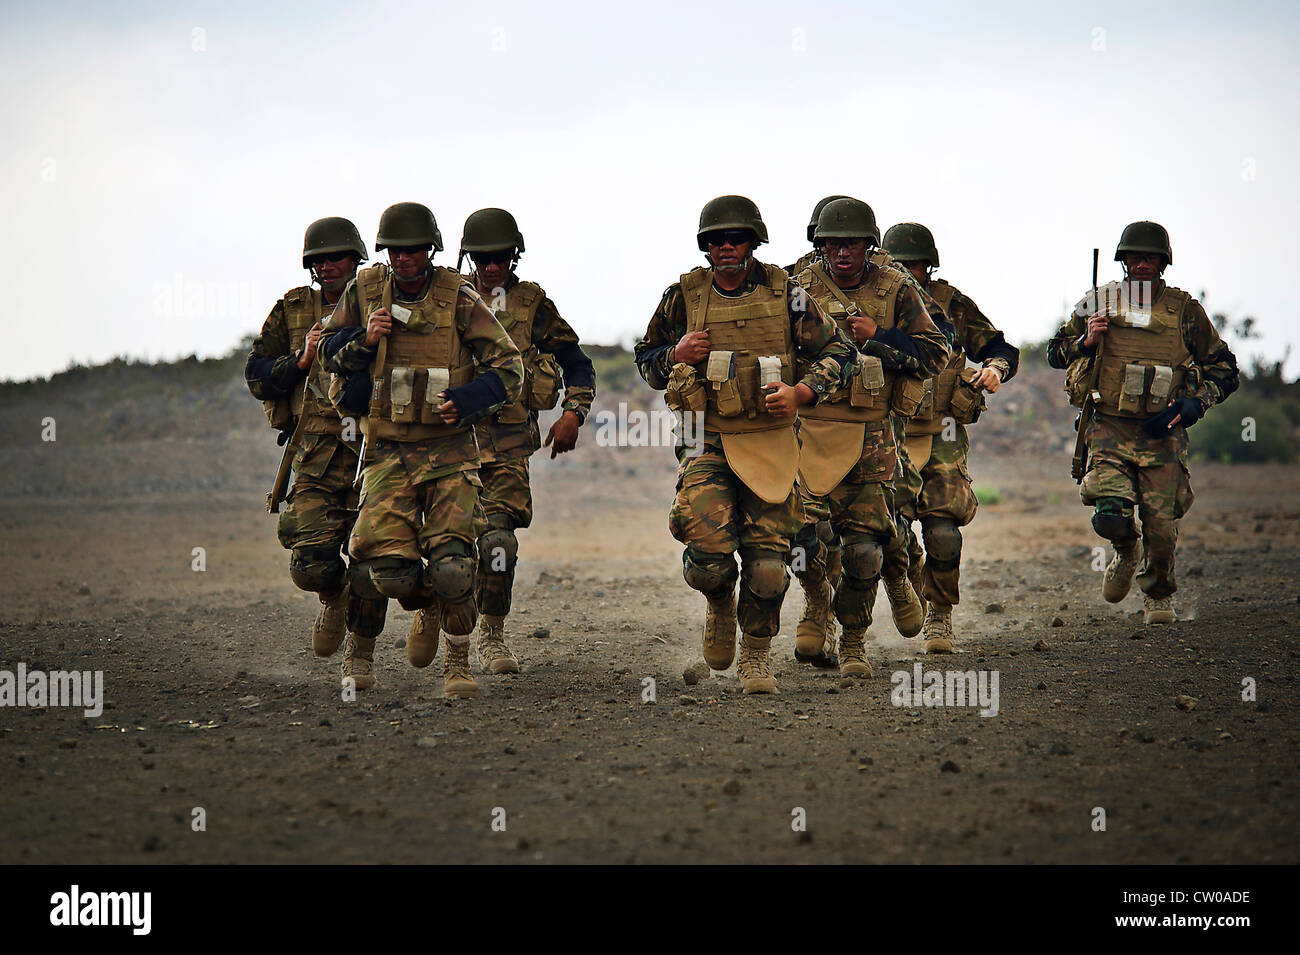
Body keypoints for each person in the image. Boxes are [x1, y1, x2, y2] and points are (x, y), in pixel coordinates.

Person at [634, 195, 856, 694]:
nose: (726, 247)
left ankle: (756, 655)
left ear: (753, 242)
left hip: (771, 438)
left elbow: (841, 351)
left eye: (735, 239)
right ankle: (718, 604)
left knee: (769, 564)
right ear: (705, 246)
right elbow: (646, 361)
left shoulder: (787, 294)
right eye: (715, 240)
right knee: (709, 551)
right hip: (706, 438)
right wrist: (675, 352)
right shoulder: (684, 296)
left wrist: (803, 392)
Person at [320, 202, 523, 696]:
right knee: (373, 565)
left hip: (451, 452)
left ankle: (457, 662)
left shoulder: (458, 298)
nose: (403, 258)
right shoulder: (364, 292)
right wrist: (364, 342)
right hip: (389, 450)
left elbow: (509, 368)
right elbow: (326, 351)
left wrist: (468, 401)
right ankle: (360, 651)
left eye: (412, 249)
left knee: (455, 563)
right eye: (394, 250)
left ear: (430, 249)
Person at [1047, 221, 1238, 624]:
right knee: (1110, 515)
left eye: (1150, 256)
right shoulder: (1098, 303)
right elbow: (1055, 352)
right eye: (1134, 256)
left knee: (1162, 529)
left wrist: (1194, 405)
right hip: (1110, 428)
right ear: (1123, 261)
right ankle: (1126, 550)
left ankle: (1158, 595)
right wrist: (1086, 341)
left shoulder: (1184, 312)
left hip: (1162, 432)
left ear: (1163, 262)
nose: (1142, 263)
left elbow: (1225, 368)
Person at [790, 200, 949, 676]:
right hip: (809, 432)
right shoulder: (795, 287)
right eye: (833, 244)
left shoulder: (896, 287)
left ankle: (855, 639)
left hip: (874, 436)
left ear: (868, 245)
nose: (842, 253)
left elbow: (936, 353)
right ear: (820, 245)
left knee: (864, 549)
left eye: (852, 243)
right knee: (803, 536)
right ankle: (819, 602)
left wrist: (880, 334)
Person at [244, 218, 388, 673]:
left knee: (372, 558)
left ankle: (360, 654)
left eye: (336, 258)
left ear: (356, 259)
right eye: (319, 260)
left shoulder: (381, 301)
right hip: (316, 453)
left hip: (375, 448)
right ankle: (334, 596)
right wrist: (301, 360)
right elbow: (257, 375)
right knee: (310, 561)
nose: (327, 267)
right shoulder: (291, 309)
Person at [457, 207, 596, 674]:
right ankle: (438, 615)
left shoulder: (531, 305)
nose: (492, 267)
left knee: (499, 544)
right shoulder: (446, 298)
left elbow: (575, 360)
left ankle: (491, 634)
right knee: (446, 548)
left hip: (507, 445)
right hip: (442, 444)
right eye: (483, 258)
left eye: (501, 258)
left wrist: (573, 412)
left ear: (514, 256)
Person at [881, 221, 1020, 652]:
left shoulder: (952, 305)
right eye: (898, 266)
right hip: (889, 431)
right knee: (885, 531)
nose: (907, 274)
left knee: (943, 530)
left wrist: (994, 369)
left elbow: (1000, 347)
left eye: (915, 266)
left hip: (941, 429)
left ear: (930, 267)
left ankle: (940, 615)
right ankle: (910, 573)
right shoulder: (873, 302)